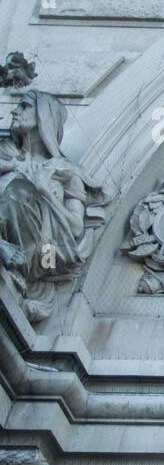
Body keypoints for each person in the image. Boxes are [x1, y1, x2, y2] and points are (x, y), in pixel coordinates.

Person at [0, 89, 110, 321]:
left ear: (43, 115)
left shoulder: (65, 173)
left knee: (18, 193)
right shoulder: (5, 156)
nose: (14, 110)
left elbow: (75, 228)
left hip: (46, 254)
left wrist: (45, 192)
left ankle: (18, 276)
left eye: (24, 106)